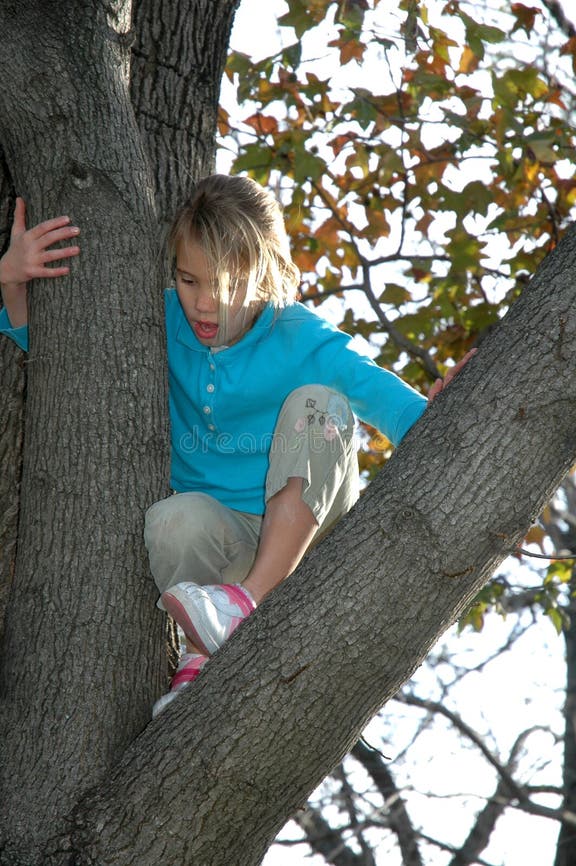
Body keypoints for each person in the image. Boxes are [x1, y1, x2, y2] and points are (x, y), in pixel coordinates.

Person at [0, 177, 474, 715]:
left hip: (305, 529)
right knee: (173, 520)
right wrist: (12, 282)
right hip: (224, 545)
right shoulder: (156, 320)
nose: (204, 304)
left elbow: (395, 408)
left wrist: (441, 411)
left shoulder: (300, 337)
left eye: (225, 285)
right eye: (187, 279)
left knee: (319, 403)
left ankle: (247, 602)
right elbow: (62, 346)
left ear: (264, 274)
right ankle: (204, 655)